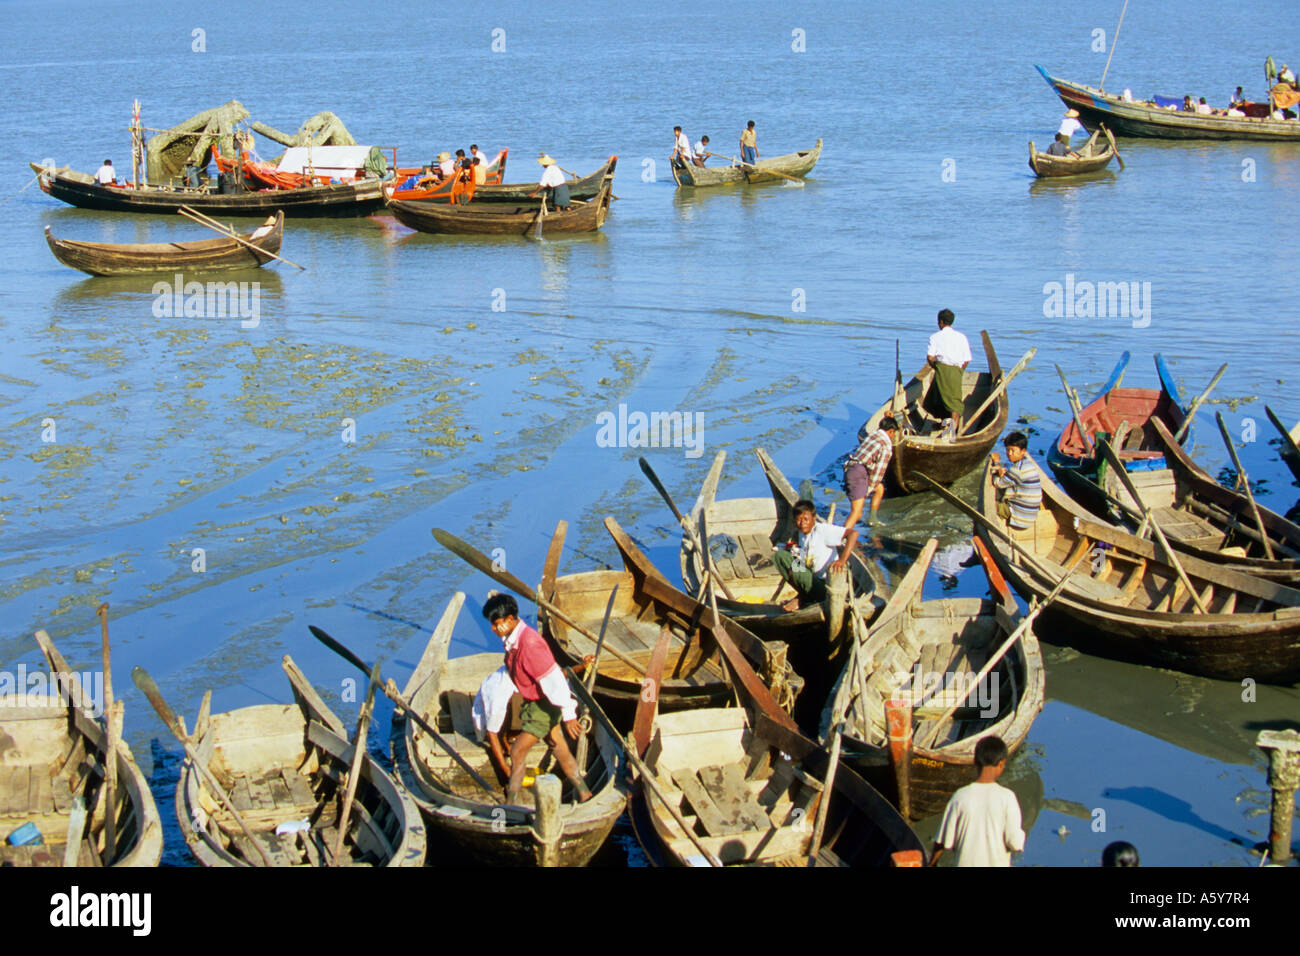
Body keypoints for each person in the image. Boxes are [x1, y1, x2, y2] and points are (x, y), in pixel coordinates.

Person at [481, 593, 592, 804]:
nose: (494, 629)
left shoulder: (529, 644)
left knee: (516, 752)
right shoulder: (514, 640)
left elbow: (555, 681)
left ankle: (511, 802)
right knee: (560, 748)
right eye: (492, 625)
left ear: (511, 619)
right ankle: (584, 792)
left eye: (497, 624)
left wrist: (569, 714)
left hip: (544, 706)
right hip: (537, 703)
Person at [930, 735, 1025, 867]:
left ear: (975, 760)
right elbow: (1015, 843)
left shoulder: (960, 796)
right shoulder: (1007, 798)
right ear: (1002, 763)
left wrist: (931, 864)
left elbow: (941, 842)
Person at [771, 499, 859, 611]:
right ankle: (804, 596)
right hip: (813, 580)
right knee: (780, 558)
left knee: (783, 557)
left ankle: (804, 597)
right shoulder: (801, 534)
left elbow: (853, 534)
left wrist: (842, 560)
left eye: (806, 519)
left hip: (827, 586)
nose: (802, 523)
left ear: (814, 518)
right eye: (798, 520)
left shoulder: (822, 530)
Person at [843, 415, 899, 530]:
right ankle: (842, 537)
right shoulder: (886, 445)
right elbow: (879, 471)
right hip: (858, 473)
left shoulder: (874, 435)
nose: (893, 437)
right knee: (857, 513)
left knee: (880, 489)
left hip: (850, 469)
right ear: (891, 431)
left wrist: (873, 486)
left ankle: (872, 518)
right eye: (894, 434)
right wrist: (870, 487)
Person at [927, 308, 972, 436]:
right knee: (954, 401)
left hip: (942, 369)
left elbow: (930, 358)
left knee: (945, 399)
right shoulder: (961, 337)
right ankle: (947, 426)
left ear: (941, 322)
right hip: (956, 370)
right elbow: (967, 359)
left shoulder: (935, 337)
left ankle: (950, 432)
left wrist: (937, 368)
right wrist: (959, 371)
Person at [472, 665, 518, 784]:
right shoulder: (497, 697)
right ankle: (503, 740)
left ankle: (506, 739)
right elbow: (491, 732)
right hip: (490, 720)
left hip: (509, 696)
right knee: (493, 728)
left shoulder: (516, 672)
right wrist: (505, 768)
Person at [990, 431, 1042, 530]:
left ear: (1023, 451)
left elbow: (998, 483)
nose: (1009, 454)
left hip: (1020, 517)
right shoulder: (1028, 464)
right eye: (1008, 450)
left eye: (1013, 450)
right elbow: (1011, 479)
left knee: (987, 507)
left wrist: (996, 464)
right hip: (1030, 516)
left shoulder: (1017, 469)